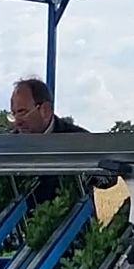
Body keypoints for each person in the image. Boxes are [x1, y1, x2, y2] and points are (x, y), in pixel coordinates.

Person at [7, 77, 116, 205]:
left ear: (45, 110)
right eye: (13, 114)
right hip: (24, 223)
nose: (17, 122)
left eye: (22, 112)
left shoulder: (77, 139)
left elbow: (110, 179)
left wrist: (84, 172)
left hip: (73, 221)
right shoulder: (8, 145)